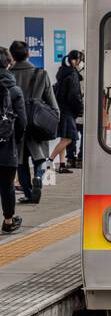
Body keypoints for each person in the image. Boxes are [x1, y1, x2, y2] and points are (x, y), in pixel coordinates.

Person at [9, 41, 57, 205]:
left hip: (16, 123)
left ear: (12, 56)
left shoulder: (8, 77)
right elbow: (52, 103)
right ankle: (38, 176)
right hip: (37, 122)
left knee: (21, 161)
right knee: (40, 157)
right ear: (28, 54)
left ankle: (29, 193)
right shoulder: (41, 73)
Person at [0, 60, 27, 234]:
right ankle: (8, 221)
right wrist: (14, 139)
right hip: (6, 147)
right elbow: (22, 122)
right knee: (6, 184)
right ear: (8, 65)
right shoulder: (14, 90)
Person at [52, 50, 84, 172]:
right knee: (69, 138)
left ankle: (62, 165)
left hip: (60, 108)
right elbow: (74, 95)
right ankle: (49, 161)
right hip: (68, 111)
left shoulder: (63, 71)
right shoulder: (72, 74)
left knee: (63, 138)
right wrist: (80, 110)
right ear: (76, 60)